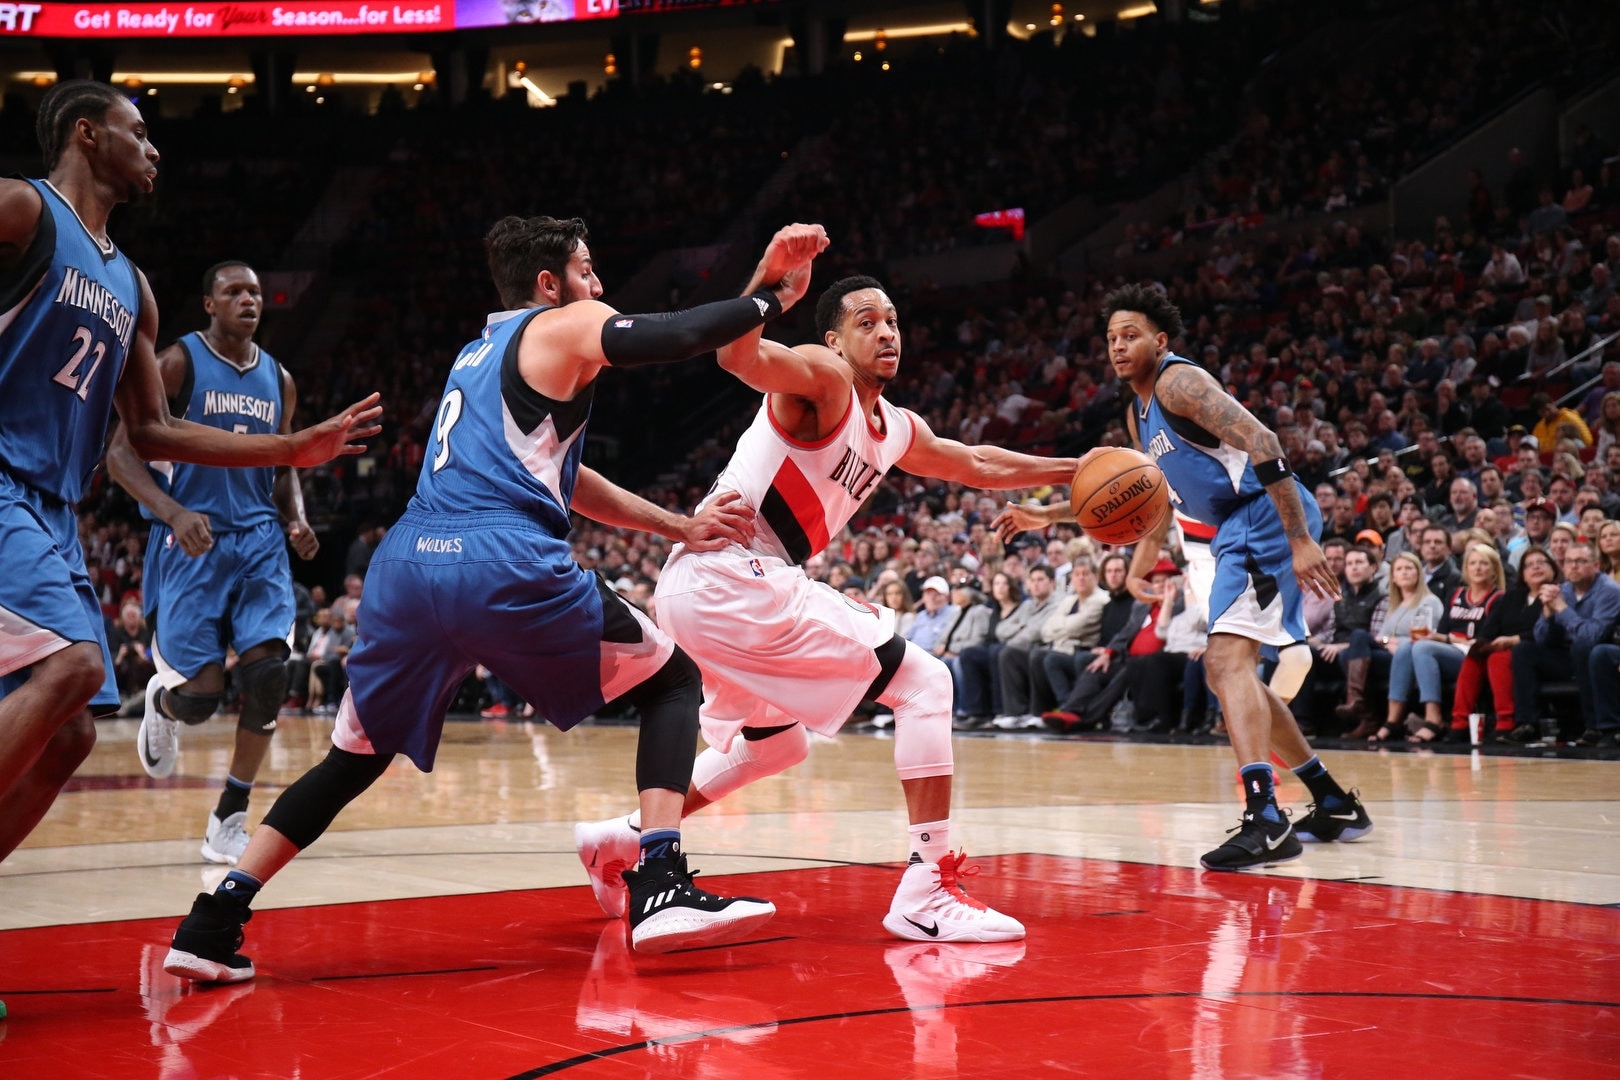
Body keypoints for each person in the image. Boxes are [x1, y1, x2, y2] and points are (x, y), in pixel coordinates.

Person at [162, 216, 826, 984]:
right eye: (588, 271)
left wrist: (675, 522)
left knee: (352, 759)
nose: (599, 289)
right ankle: (662, 882)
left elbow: (564, 476)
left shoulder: (477, 355)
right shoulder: (563, 325)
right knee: (673, 681)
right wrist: (772, 294)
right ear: (550, 284)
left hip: (407, 564)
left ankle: (214, 920)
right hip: (497, 558)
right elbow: (676, 335)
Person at [574, 273, 1079, 944]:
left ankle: (624, 838)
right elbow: (738, 357)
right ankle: (928, 888)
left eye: (893, 320)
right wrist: (766, 283)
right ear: (834, 340)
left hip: (710, 590)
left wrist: (1078, 467)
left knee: (776, 745)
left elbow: (977, 464)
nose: (887, 331)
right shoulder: (822, 378)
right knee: (927, 683)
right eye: (867, 322)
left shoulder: (894, 427)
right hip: (733, 578)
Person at [0, 81, 380, 867]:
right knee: (70, 665)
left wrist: (291, 448)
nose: (153, 146)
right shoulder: (23, 209)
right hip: (3, 476)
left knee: (69, 732)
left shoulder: (131, 286)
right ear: (86, 136)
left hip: (54, 510)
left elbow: (152, 430)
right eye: (135, 131)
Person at [996, 284, 1370, 871]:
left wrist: (1300, 539)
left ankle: (1266, 818)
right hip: (1235, 530)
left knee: (1225, 665)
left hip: (1264, 515)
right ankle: (1329, 799)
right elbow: (1145, 498)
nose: (1119, 347)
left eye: (1131, 335)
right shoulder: (1138, 414)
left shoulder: (1179, 384)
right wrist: (1047, 514)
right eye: (1112, 338)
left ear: (1160, 340)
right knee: (1234, 675)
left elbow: (1265, 442)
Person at [105, 260, 319, 866]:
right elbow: (119, 457)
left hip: (257, 542)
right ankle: (164, 705)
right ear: (209, 304)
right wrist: (172, 513)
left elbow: (284, 462)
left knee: (270, 676)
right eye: (234, 291)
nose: (248, 300)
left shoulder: (279, 378)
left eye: (254, 291)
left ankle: (229, 815)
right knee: (201, 698)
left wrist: (295, 517)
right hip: (191, 540)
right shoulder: (177, 363)